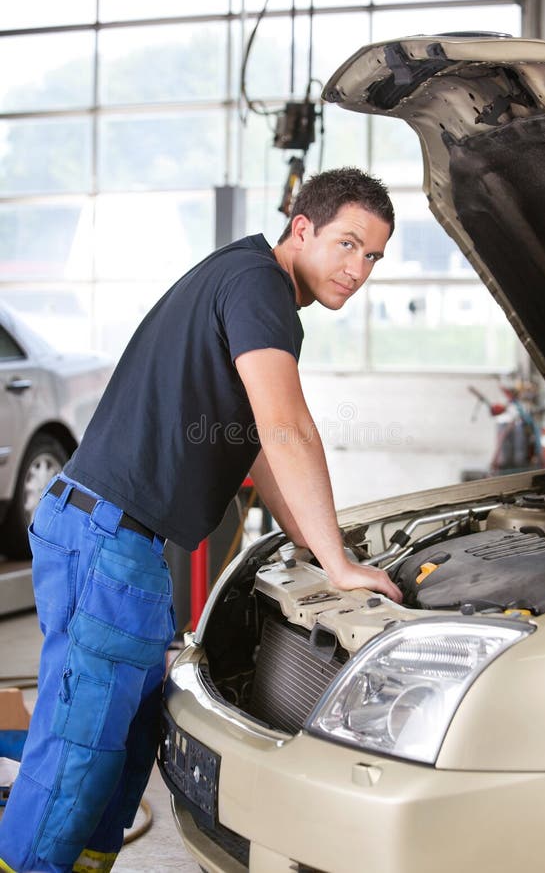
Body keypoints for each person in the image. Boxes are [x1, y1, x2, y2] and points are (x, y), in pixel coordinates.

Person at [0, 166, 402, 873]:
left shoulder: (250, 284)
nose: (358, 269)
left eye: (372, 256)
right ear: (301, 228)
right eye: (347, 244)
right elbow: (287, 428)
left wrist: (315, 545)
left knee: (123, 748)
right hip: (106, 539)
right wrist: (338, 563)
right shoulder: (259, 286)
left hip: (114, 539)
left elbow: (261, 457)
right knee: (80, 748)